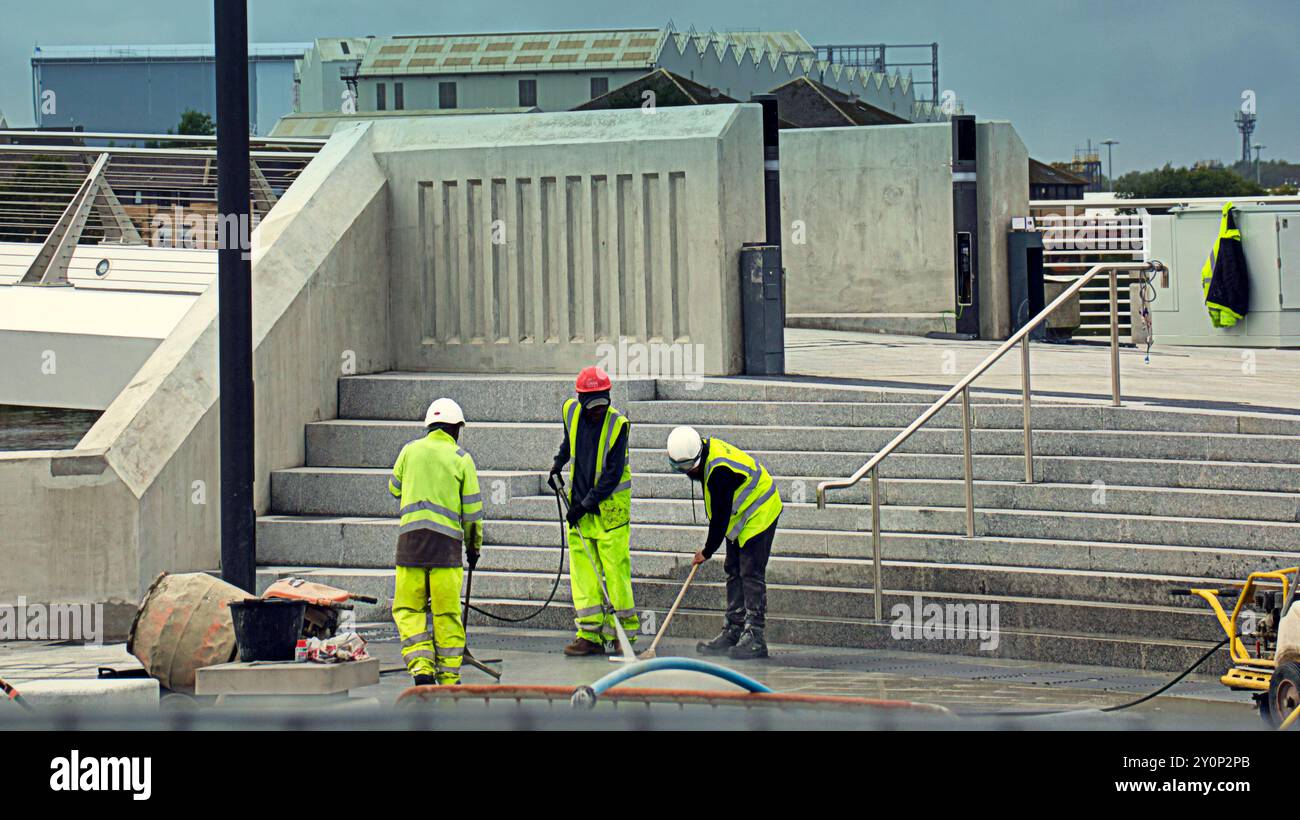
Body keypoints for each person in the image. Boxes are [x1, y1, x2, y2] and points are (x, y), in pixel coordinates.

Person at [389, 398, 483, 685]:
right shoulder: (461, 458)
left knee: (408, 609)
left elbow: (394, 488)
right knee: (446, 614)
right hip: (446, 551)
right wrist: (473, 547)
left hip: (411, 548)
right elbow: (473, 514)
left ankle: (421, 668)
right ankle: (449, 677)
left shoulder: (409, 451)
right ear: (456, 429)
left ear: (430, 426)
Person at [666, 426, 781, 659]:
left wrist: (706, 551)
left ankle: (755, 636)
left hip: (760, 509)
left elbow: (720, 518)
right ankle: (734, 629)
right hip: (742, 514)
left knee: (750, 571)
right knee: (733, 568)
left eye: (690, 468)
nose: (689, 473)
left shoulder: (720, 471)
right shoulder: (704, 454)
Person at [549, 366, 639, 656]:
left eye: (603, 402)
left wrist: (585, 504)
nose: (599, 410)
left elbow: (612, 475)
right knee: (584, 575)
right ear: (581, 400)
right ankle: (589, 634)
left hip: (609, 513)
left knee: (615, 575)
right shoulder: (571, 412)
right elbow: (568, 443)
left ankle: (621, 636)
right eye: (593, 405)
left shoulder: (619, 425)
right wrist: (556, 465)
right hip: (580, 510)